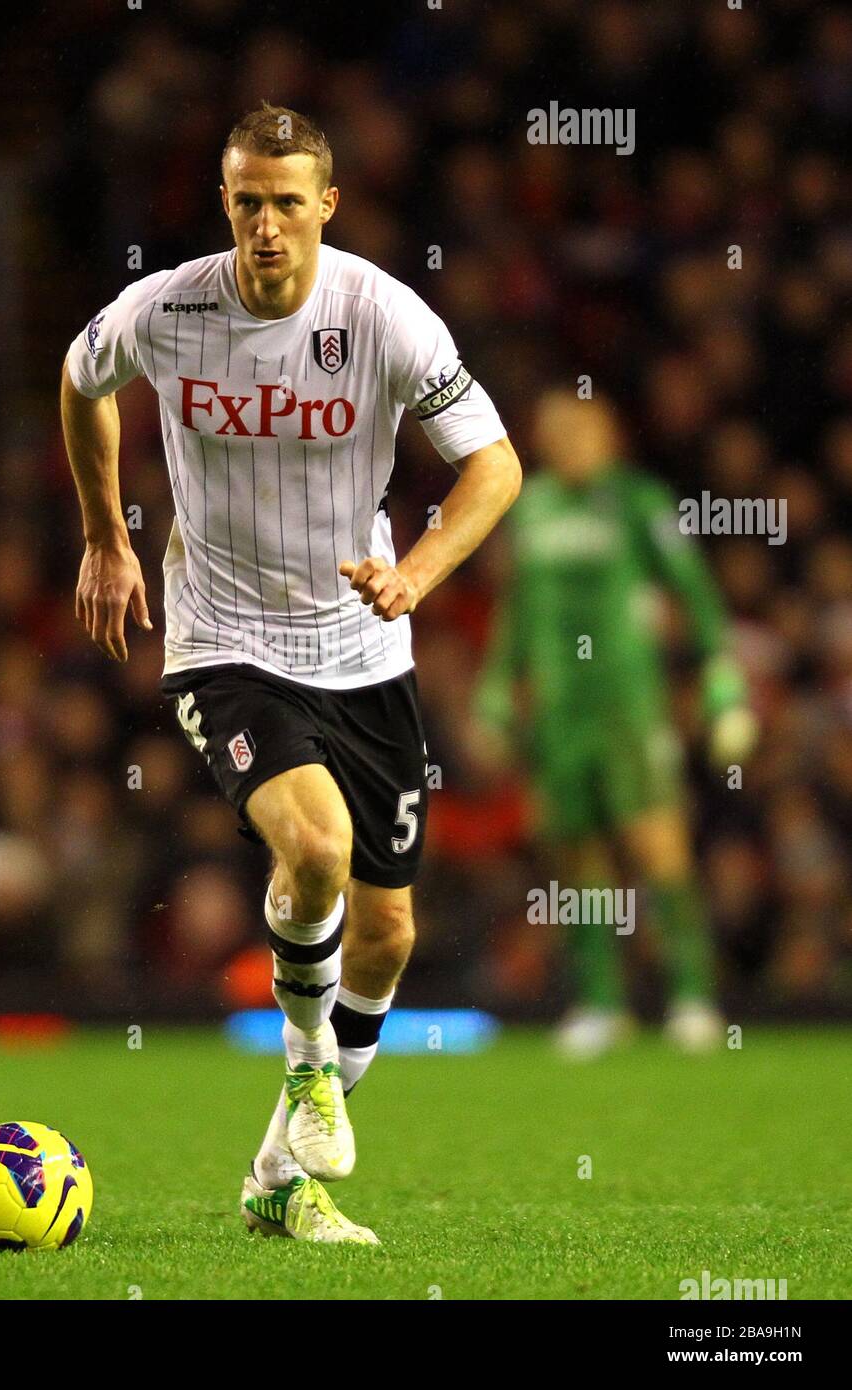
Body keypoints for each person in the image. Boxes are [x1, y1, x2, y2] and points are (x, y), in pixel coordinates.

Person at [60, 104, 521, 1242]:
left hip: (363, 651)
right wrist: (106, 537)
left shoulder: (381, 316)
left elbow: (495, 464)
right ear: (225, 202)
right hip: (224, 644)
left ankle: (276, 1174)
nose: (265, 226)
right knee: (311, 846)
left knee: (388, 934)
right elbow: (81, 382)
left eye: (285, 202)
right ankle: (309, 1063)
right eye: (245, 201)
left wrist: (414, 573)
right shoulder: (168, 309)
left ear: (326, 206)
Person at [472, 389, 757, 1059]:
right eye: (556, 431)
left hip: (628, 706)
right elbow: (518, 607)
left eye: (581, 429)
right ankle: (601, 1002)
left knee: (655, 843)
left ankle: (690, 995)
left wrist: (719, 676)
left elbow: (694, 591)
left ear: (608, 437)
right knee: (576, 858)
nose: (568, 441)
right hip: (557, 714)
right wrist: (493, 688)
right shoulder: (531, 507)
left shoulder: (638, 502)